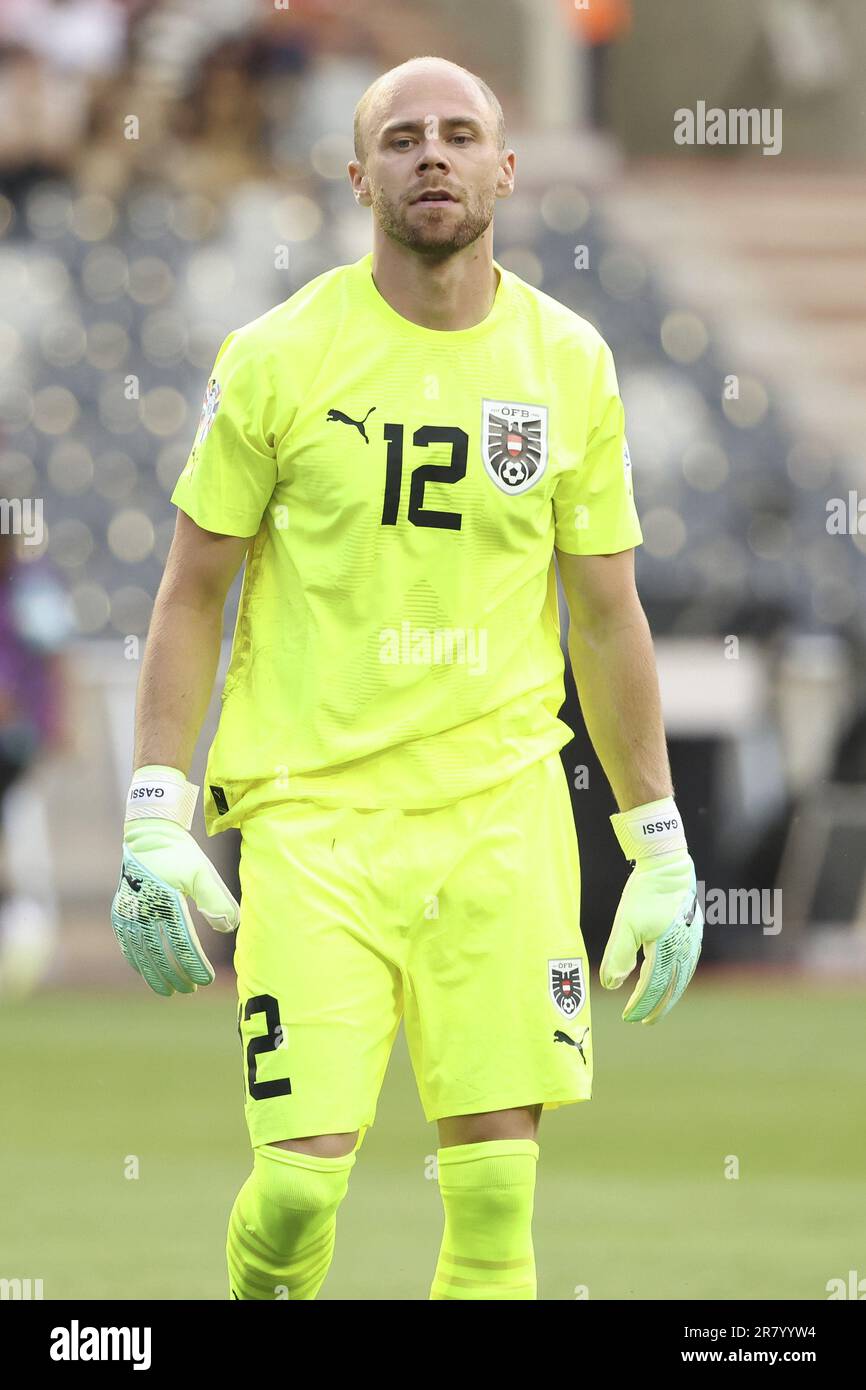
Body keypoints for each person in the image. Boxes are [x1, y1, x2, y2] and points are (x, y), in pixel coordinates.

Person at [111, 54, 703, 1301]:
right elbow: (191, 593)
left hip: (501, 819)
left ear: (505, 168)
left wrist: (655, 839)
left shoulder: (569, 363)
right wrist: (156, 808)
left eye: (458, 133)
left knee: (493, 1206)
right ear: (356, 176)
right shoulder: (275, 357)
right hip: (312, 823)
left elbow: (605, 618)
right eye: (401, 137)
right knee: (294, 1193)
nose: (431, 153)